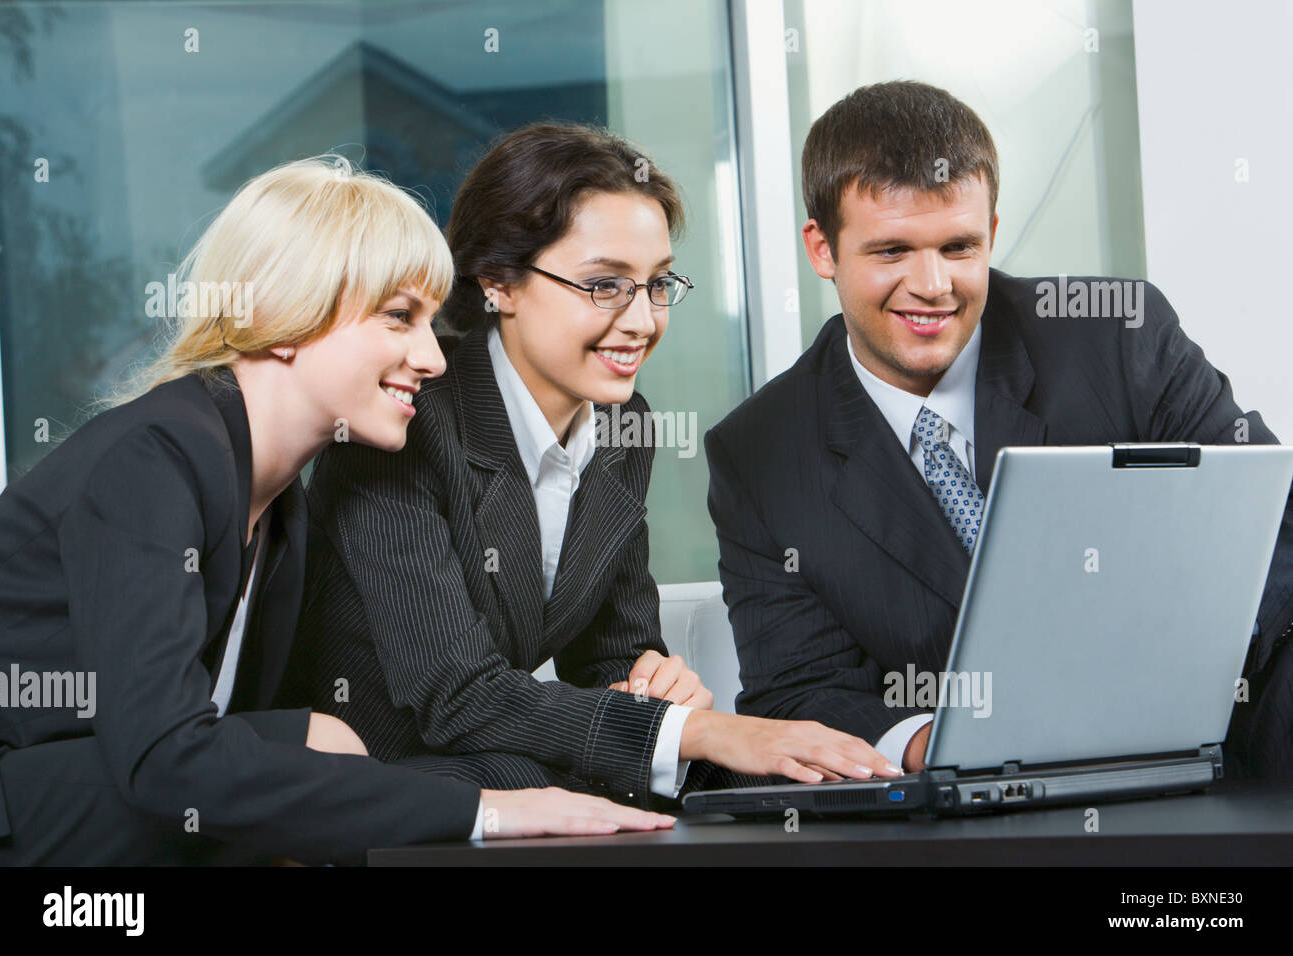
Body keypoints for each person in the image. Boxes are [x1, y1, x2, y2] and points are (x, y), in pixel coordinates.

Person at [0, 155, 677, 866]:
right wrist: (486, 812)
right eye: (398, 318)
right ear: (279, 319)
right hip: (28, 812)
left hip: (103, 798)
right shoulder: (154, 457)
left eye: (429, 320)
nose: (432, 357)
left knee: (334, 745)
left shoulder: (273, 493)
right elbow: (167, 757)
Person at [282, 123, 901, 804]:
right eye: (605, 285)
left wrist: (651, 681)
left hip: (505, 753)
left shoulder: (622, 425)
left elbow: (609, 651)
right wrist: (695, 732)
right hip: (384, 771)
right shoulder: (406, 421)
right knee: (668, 762)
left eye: (658, 283)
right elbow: (454, 695)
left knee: (749, 776)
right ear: (499, 281)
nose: (641, 321)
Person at [705, 80, 1293, 777]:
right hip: (972, 800)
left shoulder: (1116, 337)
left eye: (959, 247)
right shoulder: (760, 452)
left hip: (1219, 741)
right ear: (822, 249)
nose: (932, 286)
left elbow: (1270, 519)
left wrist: (1194, 679)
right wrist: (943, 747)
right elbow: (798, 688)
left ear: (991, 231)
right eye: (892, 252)